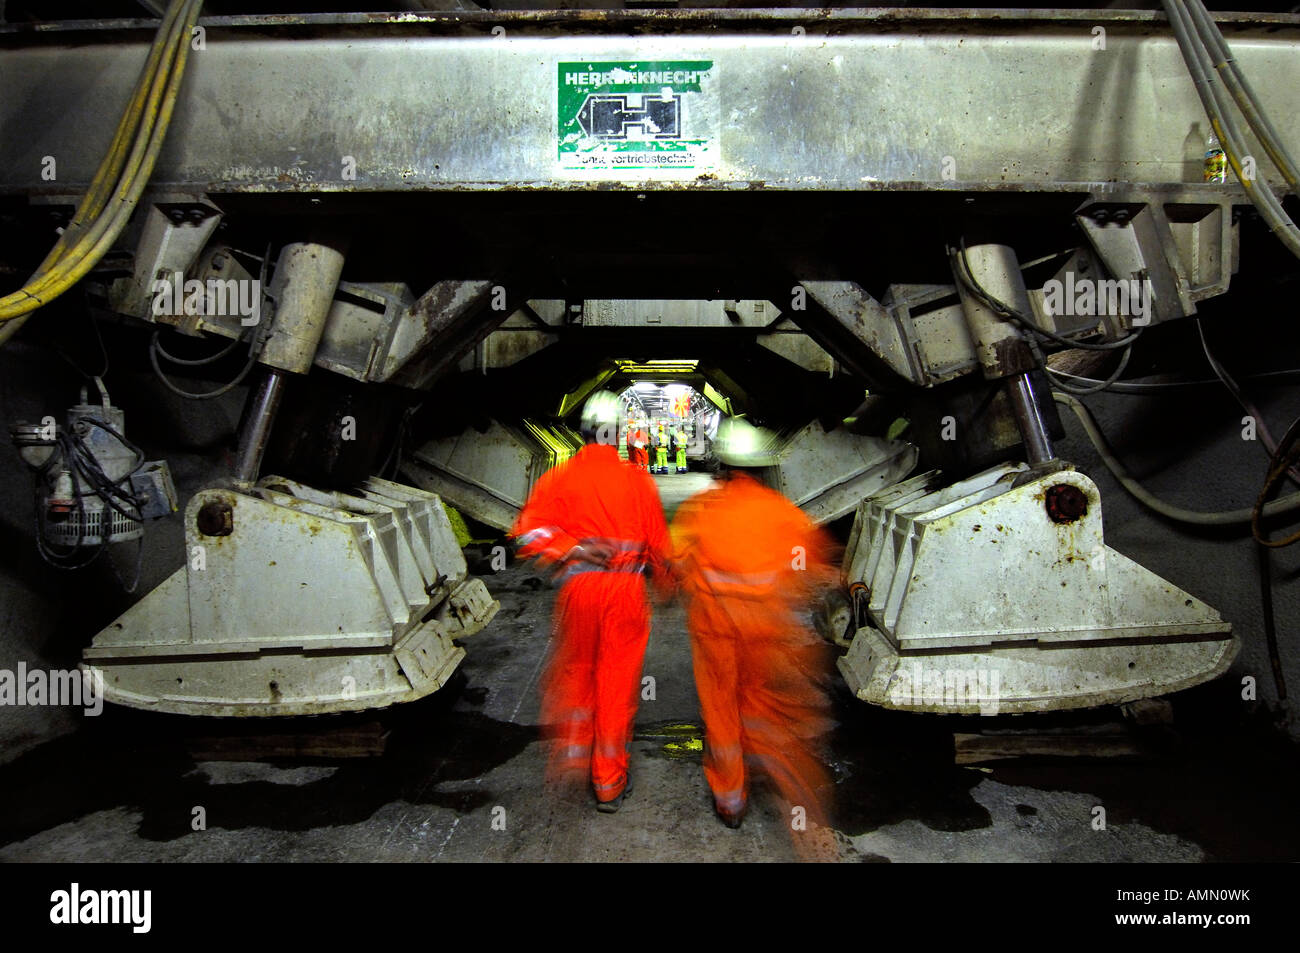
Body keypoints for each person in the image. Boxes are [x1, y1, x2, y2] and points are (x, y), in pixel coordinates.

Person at [670, 417, 837, 856]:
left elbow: (678, 565)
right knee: (764, 709)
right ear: (764, 467)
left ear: (720, 466)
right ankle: (799, 801)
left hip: (714, 632)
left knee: (721, 712)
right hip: (765, 633)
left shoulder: (701, 510)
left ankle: (731, 799)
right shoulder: (782, 513)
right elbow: (808, 568)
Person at [512, 392, 671, 812]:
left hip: (578, 592)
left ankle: (572, 757)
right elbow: (659, 546)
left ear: (580, 433)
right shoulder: (636, 479)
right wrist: (669, 587)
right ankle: (607, 781)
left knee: (579, 673)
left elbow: (527, 533)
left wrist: (572, 549)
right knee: (615, 684)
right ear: (618, 433)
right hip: (625, 593)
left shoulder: (559, 478)